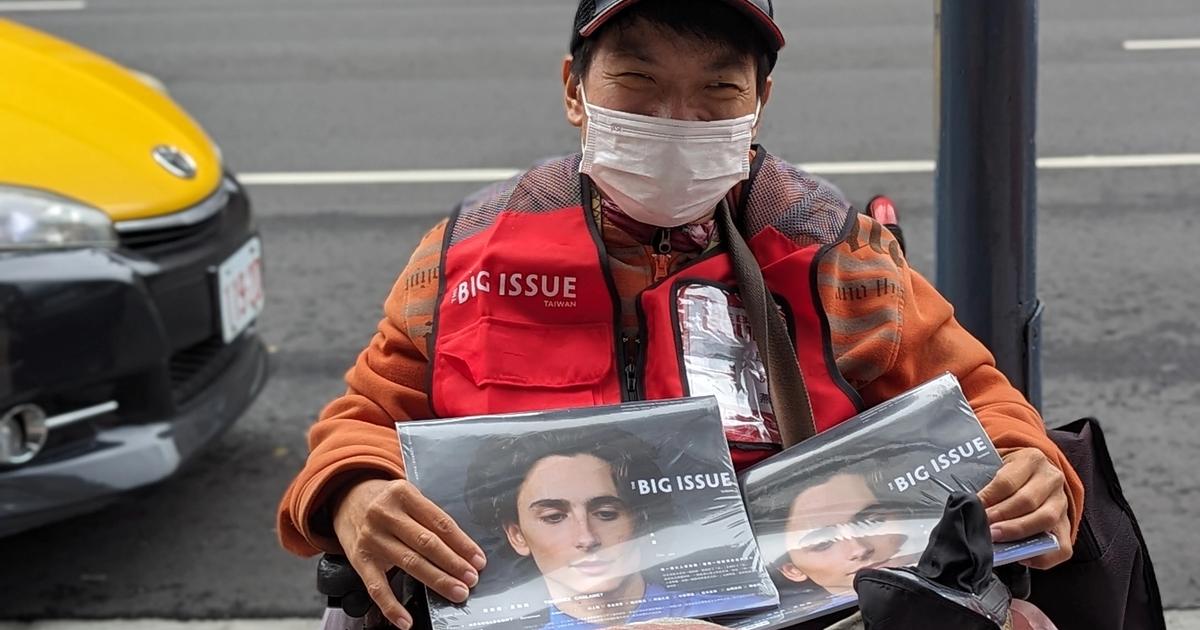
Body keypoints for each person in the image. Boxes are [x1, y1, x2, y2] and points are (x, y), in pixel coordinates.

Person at [277, 2, 1085, 628]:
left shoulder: (836, 249)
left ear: (758, 102)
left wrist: (1032, 467)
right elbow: (365, 420)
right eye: (637, 83)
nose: (676, 119)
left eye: (717, 90)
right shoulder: (471, 253)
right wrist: (353, 491)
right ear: (573, 89)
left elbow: (983, 401)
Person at [464, 427, 742, 629]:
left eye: (606, 514)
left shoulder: (737, 611)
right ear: (517, 535)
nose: (586, 538)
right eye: (554, 517)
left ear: (640, 519)